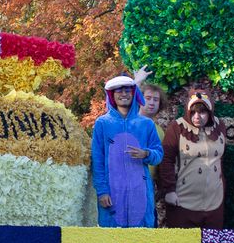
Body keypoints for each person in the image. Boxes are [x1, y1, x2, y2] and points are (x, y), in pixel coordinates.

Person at [91, 74, 163, 227]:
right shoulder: (102, 123)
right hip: (112, 194)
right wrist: (102, 191)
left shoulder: (146, 124)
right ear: (112, 95)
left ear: (133, 93)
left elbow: (158, 154)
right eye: (118, 91)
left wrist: (146, 154)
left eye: (127, 90)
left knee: (141, 242)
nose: (123, 94)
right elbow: (97, 161)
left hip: (140, 192)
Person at [158, 92, 226, 228]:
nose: (197, 117)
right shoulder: (177, 128)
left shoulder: (219, 126)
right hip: (183, 201)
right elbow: (166, 159)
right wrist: (169, 190)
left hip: (214, 201)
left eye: (202, 112)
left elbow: (220, 159)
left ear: (210, 112)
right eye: (193, 112)